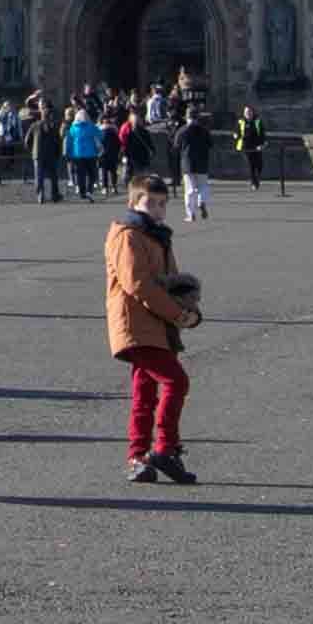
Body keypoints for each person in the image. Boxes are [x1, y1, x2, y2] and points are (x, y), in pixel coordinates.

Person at [106, 174, 200, 487]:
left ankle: (138, 456)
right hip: (136, 324)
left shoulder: (159, 236)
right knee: (176, 381)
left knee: (144, 391)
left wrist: (189, 308)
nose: (157, 209)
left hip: (156, 325)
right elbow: (137, 284)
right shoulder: (128, 235)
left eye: (162, 203)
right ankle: (165, 448)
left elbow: (171, 281)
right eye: (150, 202)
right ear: (134, 202)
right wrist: (177, 313)